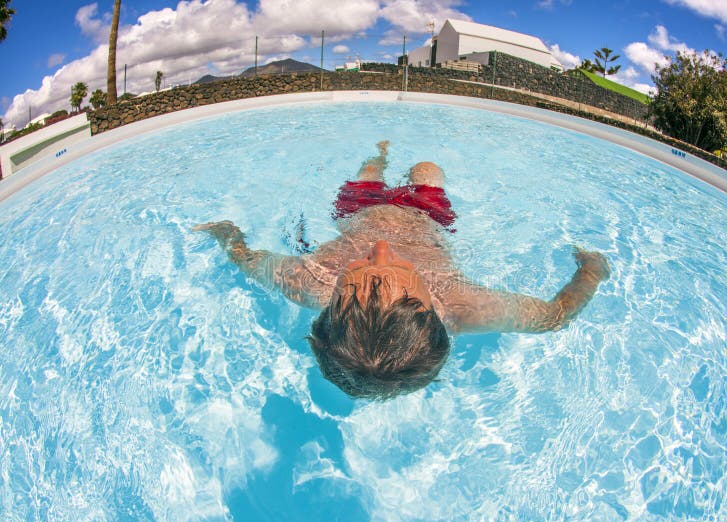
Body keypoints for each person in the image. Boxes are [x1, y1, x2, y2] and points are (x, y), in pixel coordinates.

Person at [194, 141, 610, 399]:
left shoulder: (309, 283)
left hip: (358, 211)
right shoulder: (464, 306)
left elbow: (246, 259)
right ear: (432, 309)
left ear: (331, 303)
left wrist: (226, 233)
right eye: (398, 267)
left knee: (368, 173)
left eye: (354, 272)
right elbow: (554, 317)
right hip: (425, 217)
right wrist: (591, 271)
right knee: (427, 171)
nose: (380, 248)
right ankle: (396, 161)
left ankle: (380, 154)